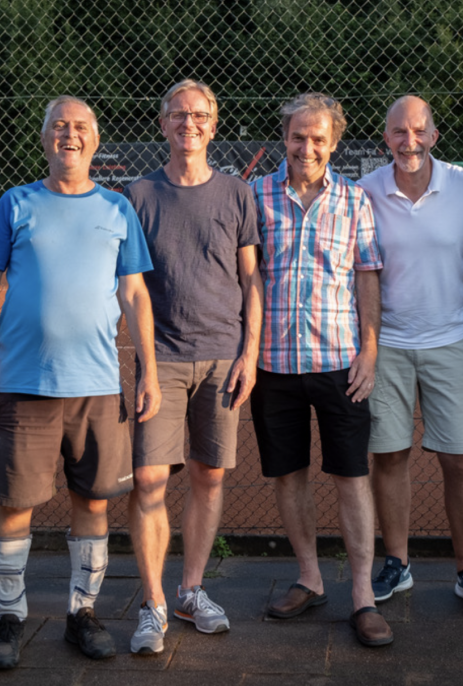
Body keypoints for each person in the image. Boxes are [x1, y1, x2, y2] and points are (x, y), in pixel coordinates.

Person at [0, 95, 161, 670]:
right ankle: (10, 617)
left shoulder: (118, 209)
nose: (70, 135)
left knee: (91, 502)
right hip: (25, 385)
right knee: (14, 506)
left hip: (96, 386)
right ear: (44, 139)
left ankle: (81, 613)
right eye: (59, 126)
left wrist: (149, 372)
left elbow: (135, 294)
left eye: (82, 127)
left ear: (96, 140)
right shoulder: (16, 203)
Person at [124, 79, 264, 655]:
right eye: (178, 114)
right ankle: (153, 604)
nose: (190, 123)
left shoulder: (236, 193)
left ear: (213, 122)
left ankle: (191, 590)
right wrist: (146, 367)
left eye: (200, 115)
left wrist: (249, 355)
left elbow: (251, 279)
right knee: (151, 480)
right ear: (163, 124)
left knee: (209, 476)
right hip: (162, 361)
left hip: (224, 360)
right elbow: (130, 286)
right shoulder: (138, 194)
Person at [249, 92, 392, 647]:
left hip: (340, 364)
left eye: (318, 139)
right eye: (297, 136)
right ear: (284, 136)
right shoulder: (254, 195)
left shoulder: (355, 201)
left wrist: (371, 348)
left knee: (352, 477)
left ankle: (362, 594)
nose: (306, 147)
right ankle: (309, 578)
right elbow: (247, 276)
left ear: (333, 143)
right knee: (289, 474)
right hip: (274, 364)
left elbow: (367, 276)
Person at [357, 95, 463, 612]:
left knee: (462, 461)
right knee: (389, 456)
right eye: (399, 131)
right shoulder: (365, 191)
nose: (409, 141)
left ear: (434, 136)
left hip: (452, 343)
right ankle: (396, 564)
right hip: (387, 346)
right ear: (386, 138)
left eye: (419, 131)